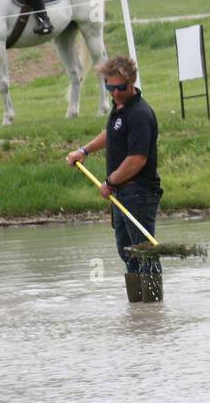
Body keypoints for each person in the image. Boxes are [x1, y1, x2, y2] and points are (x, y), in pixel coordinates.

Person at [65, 56, 164, 303]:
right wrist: (84, 151)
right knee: (127, 251)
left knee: (144, 252)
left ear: (131, 82)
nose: (116, 93)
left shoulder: (140, 114)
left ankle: (152, 309)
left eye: (121, 88)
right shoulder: (120, 109)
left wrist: (110, 182)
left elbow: (137, 160)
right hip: (122, 195)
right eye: (110, 88)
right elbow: (111, 132)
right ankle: (138, 307)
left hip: (139, 194)